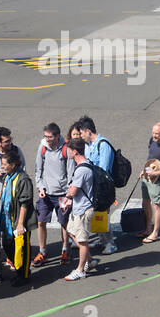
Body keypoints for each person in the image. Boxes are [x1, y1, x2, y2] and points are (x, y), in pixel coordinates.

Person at [76, 116, 117, 255]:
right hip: (93, 186)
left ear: (88, 131)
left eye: (81, 133)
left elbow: (103, 170)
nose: (81, 136)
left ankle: (111, 243)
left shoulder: (103, 145)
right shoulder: (90, 146)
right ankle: (101, 239)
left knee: (103, 215)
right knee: (96, 214)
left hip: (103, 187)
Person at [60, 138, 99, 280]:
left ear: (75, 151)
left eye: (69, 149)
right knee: (71, 231)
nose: (67, 152)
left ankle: (80, 270)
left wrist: (66, 196)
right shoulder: (86, 164)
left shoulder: (82, 169)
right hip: (78, 208)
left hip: (83, 209)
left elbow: (73, 191)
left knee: (82, 241)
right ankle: (90, 260)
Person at [32, 122, 69, 268]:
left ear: (57, 136)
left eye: (50, 137)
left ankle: (65, 249)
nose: (47, 139)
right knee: (41, 222)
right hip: (46, 194)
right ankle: (42, 251)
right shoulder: (42, 148)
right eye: (45, 136)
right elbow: (38, 170)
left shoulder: (66, 149)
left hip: (62, 194)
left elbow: (70, 172)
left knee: (64, 223)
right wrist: (40, 187)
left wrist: (68, 194)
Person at [0, 147, 35, 286]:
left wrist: (20, 224)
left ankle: (24, 275)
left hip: (20, 221)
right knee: (8, 245)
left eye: (4, 164)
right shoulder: (8, 177)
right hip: (9, 220)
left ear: (13, 165)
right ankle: (19, 270)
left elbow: (24, 203)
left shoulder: (23, 179)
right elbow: (7, 195)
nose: (2, 167)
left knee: (22, 249)